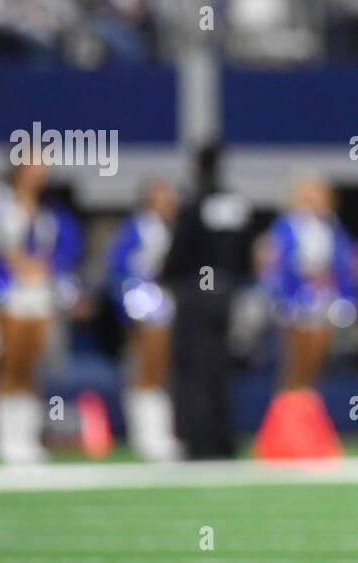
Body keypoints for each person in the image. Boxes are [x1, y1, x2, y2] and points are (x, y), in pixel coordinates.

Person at [0, 157, 82, 463]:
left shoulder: (50, 210)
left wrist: (48, 267)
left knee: (31, 366)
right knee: (9, 362)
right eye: (36, 163)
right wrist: (2, 265)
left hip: (39, 292)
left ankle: (27, 436)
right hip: (7, 293)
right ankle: (6, 438)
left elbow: (68, 249)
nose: (42, 170)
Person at [162, 142, 253, 459]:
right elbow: (244, 254)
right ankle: (223, 441)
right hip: (225, 292)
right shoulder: (236, 203)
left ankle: (198, 443)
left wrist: (168, 274)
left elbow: (179, 253)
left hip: (196, 293)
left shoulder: (195, 203)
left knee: (193, 370)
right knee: (220, 369)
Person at [256, 172, 358, 393]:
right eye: (309, 192)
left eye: (318, 193)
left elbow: (346, 259)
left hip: (324, 298)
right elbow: (273, 261)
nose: (313, 198)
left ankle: (309, 405)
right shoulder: (286, 225)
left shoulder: (332, 226)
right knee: (293, 363)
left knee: (316, 362)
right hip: (294, 298)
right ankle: (287, 408)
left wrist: (340, 287)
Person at [106, 178, 182, 460]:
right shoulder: (136, 228)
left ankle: (161, 430)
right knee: (146, 366)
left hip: (166, 298)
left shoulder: (173, 228)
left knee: (163, 367)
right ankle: (144, 433)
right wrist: (129, 301)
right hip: (143, 297)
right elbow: (117, 266)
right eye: (161, 197)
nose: (167, 202)